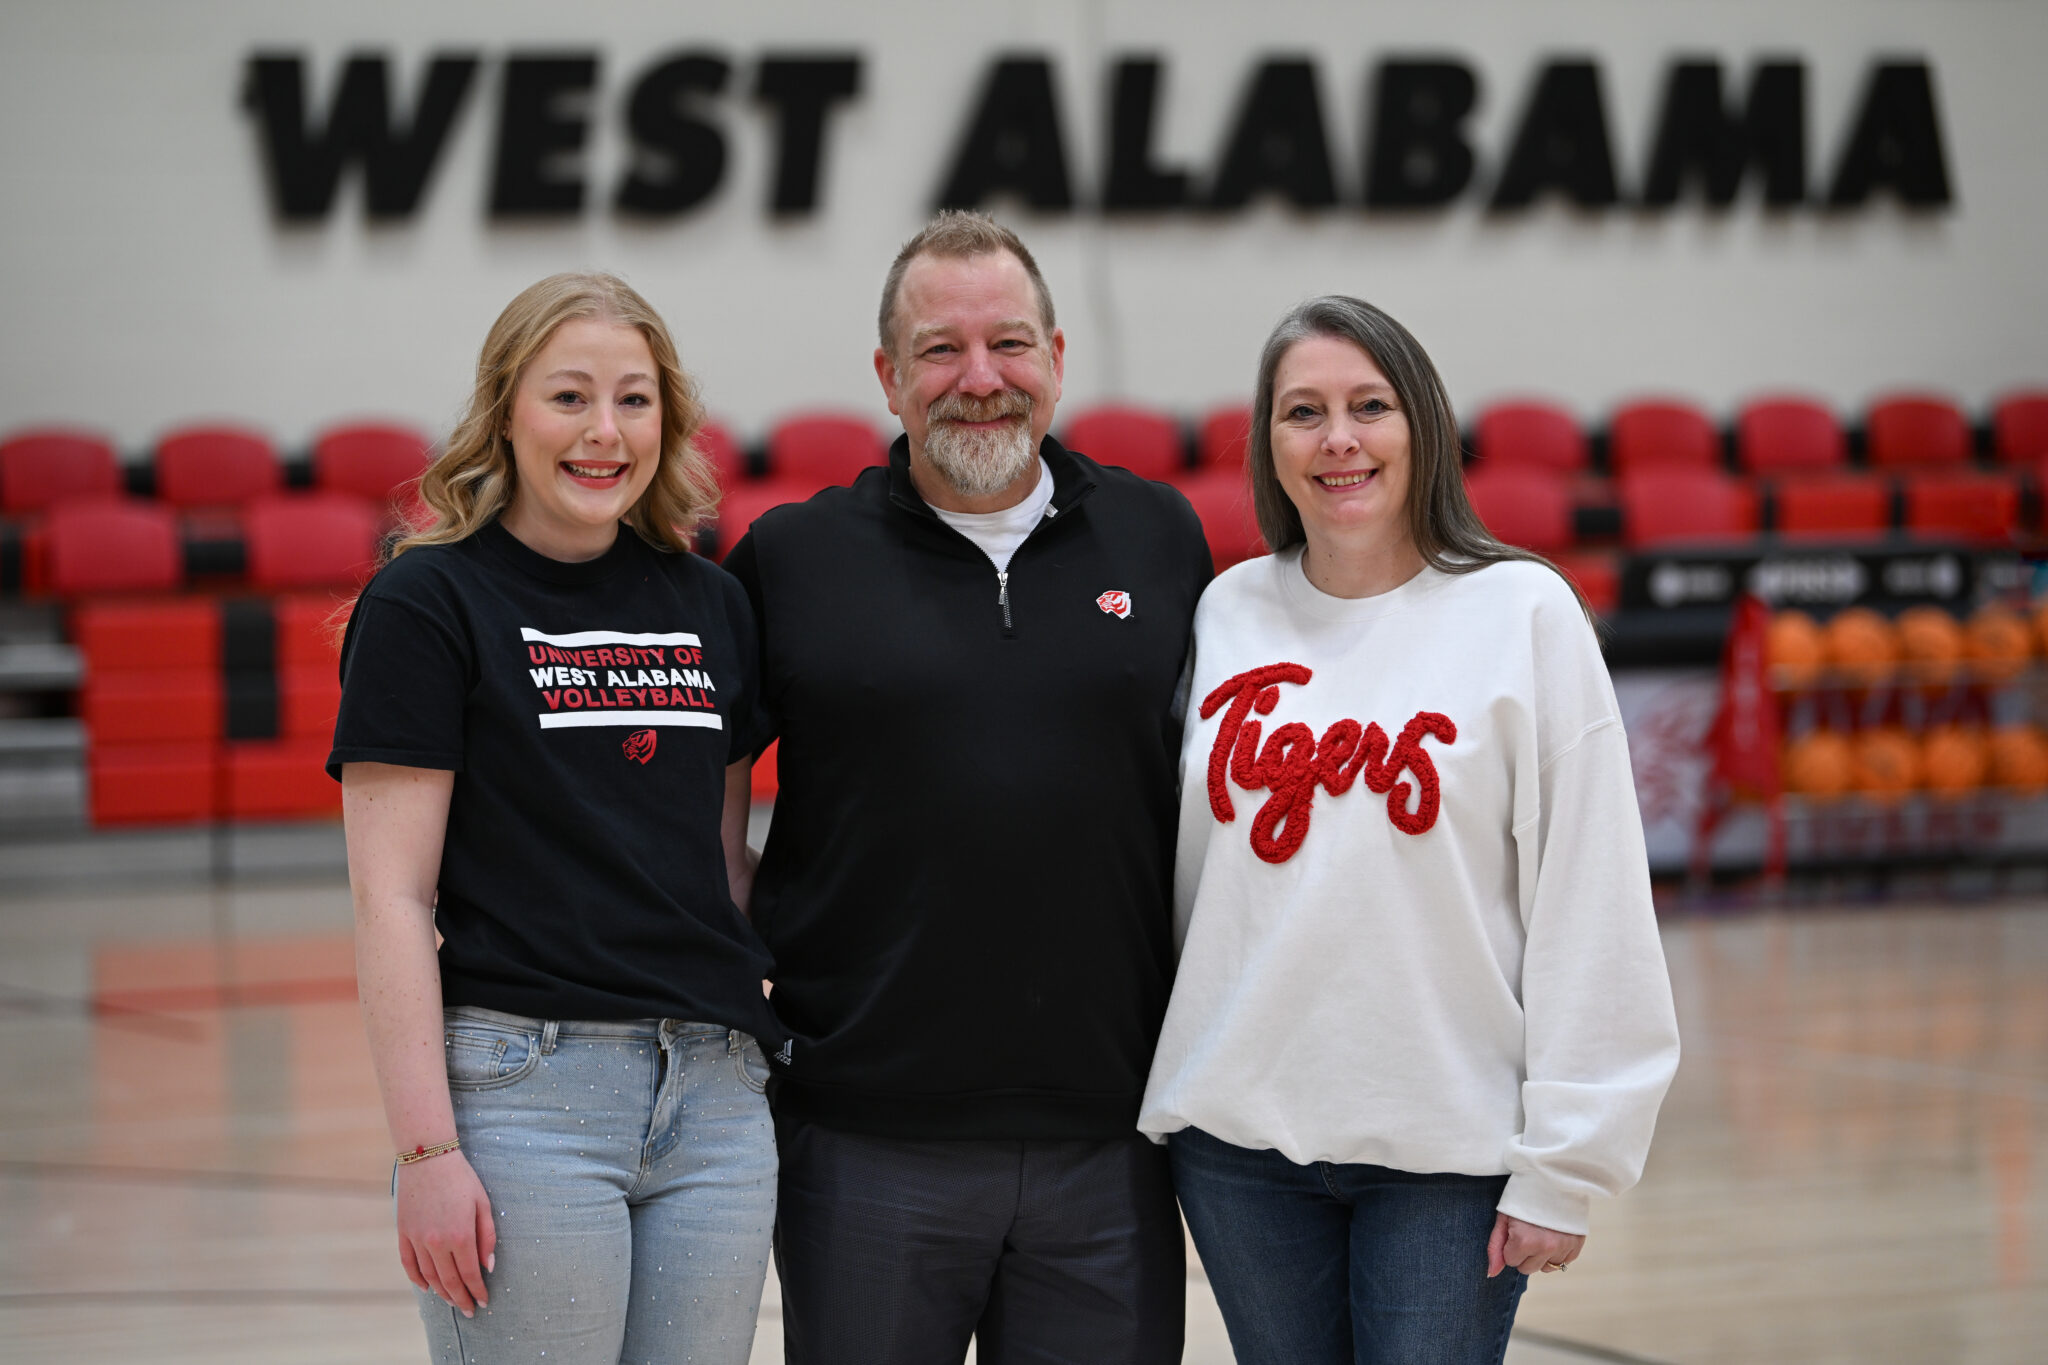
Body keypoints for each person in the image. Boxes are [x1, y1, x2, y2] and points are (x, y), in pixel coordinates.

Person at [1137, 295, 1681, 1364]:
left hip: (1449, 1150)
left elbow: (1592, 897)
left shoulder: (1522, 612)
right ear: (1268, 444)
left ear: (1419, 426)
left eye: (1367, 406)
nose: (1337, 440)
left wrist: (1565, 1166)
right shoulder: (1224, 612)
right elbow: (1177, 880)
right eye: (1302, 412)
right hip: (1238, 1144)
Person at [722, 211, 1212, 1364]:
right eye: (939, 350)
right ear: (888, 379)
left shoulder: (1160, 537)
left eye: (1007, 345)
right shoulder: (790, 559)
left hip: (1112, 1136)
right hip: (863, 1140)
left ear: (1055, 358)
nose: (977, 380)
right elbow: (705, 807)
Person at [330, 272, 781, 1364]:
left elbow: (717, 864)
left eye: (633, 399)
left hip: (716, 1099)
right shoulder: (426, 603)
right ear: (505, 412)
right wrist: (427, 1150)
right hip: (525, 1098)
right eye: (568, 396)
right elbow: (390, 898)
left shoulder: (709, 601)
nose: (603, 431)